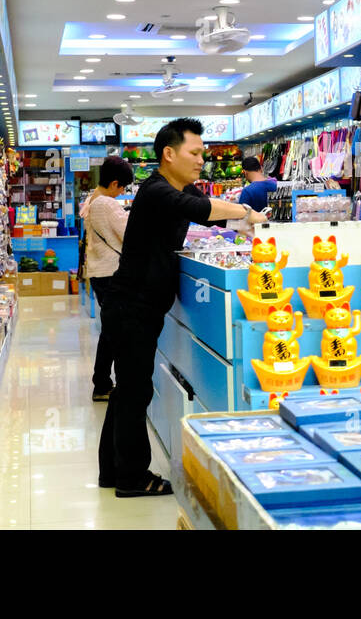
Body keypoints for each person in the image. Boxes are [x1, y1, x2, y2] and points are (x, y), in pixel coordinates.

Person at [100, 118, 267, 496]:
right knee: (135, 391)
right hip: (131, 306)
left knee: (127, 389)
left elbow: (200, 209)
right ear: (169, 154)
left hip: (137, 305)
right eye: (194, 153)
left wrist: (239, 224)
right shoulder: (156, 191)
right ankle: (132, 478)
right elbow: (203, 209)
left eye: (203, 153)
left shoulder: (179, 187)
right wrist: (245, 212)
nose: (200, 160)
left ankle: (112, 471)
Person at [79, 156, 133, 402]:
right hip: (111, 272)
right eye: (122, 187)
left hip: (99, 271)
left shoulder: (92, 199)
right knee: (114, 330)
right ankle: (102, 384)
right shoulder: (108, 204)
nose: (122, 192)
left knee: (110, 328)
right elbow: (128, 235)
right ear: (113, 183)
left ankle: (102, 381)